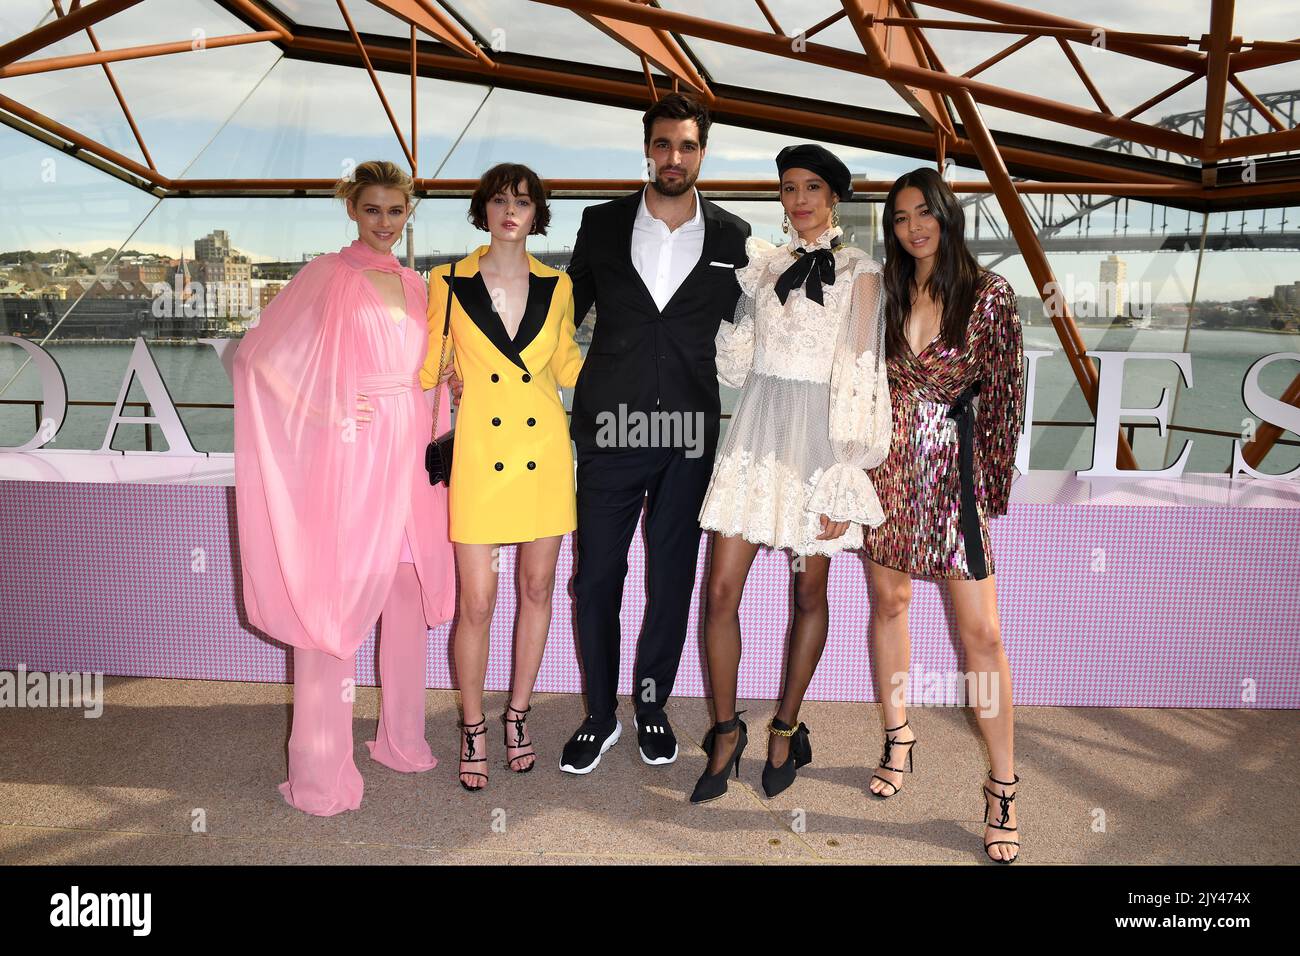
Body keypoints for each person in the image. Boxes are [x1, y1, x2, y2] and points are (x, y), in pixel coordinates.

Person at [233, 159, 456, 816]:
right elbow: (257, 359)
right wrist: (330, 408)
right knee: (335, 614)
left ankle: (402, 741)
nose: (384, 222)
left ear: (408, 212)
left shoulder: (418, 287)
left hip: (413, 452)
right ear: (352, 210)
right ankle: (319, 771)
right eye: (372, 210)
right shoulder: (327, 275)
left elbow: (429, 371)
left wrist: (449, 391)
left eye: (396, 211)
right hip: (357, 458)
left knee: (408, 600)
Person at [690, 145, 891, 803]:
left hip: (817, 447)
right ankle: (725, 731)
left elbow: (863, 374)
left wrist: (846, 473)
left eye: (811, 187)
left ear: (833, 196)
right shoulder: (764, 266)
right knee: (720, 592)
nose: (799, 199)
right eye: (788, 188)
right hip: (756, 432)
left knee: (809, 594)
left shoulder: (863, 271)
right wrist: (735, 300)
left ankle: (785, 726)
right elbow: (736, 363)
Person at [559, 92, 751, 774]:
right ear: (648, 147)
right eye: (664, 144)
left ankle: (650, 704)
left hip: (690, 436)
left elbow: (763, 328)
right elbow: (560, 316)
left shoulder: (735, 236)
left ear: (703, 152)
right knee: (597, 578)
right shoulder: (602, 224)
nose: (675, 157)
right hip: (609, 428)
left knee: (671, 580)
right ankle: (597, 715)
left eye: (688, 146)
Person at [862, 166, 1026, 863]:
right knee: (890, 602)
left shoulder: (989, 295)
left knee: (982, 635)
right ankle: (899, 734)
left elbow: (1007, 400)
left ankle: (1003, 785)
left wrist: (987, 492)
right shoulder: (884, 290)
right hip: (888, 472)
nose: (913, 227)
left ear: (948, 215)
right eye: (900, 218)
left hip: (952, 479)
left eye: (924, 213)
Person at [419, 163, 582, 791]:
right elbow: (426, 367)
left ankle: (518, 715)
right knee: (478, 602)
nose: (510, 210)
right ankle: (472, 724)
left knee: (538, 590)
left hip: (544, 452)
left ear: (537, 212)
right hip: (481, 456)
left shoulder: (558, 284)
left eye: (522, 201)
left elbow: (567, 365)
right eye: (498, 200)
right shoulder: (448, 279)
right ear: (481, 209)